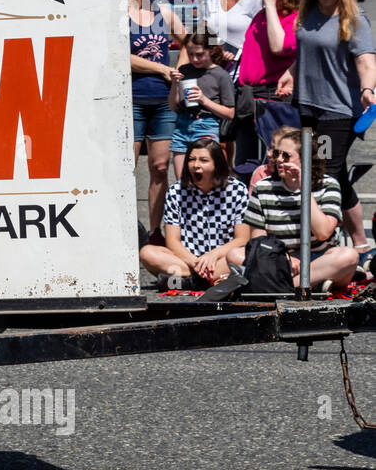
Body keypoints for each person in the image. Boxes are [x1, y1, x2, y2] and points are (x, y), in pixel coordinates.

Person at [277, 0, 376, 263]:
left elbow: (366, 61)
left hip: (338, 111)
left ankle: (326, 244)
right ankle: (360, 244)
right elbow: (308, 51)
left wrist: (367, 89)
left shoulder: (354, 19)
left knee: (325, 173)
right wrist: (291, 72)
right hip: (306, 106)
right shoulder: (308, 14)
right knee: (335, 176)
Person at [229, 126, 359, 291]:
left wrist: (302, 186)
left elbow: (323, 232)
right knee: (234, 255)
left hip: (319, 260)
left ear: (306, 159)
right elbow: (258, 241)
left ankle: (283, 287)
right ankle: (310, 285)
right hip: (277, 260)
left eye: (286, 156)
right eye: (277, 154)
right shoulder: (263, 188)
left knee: (348, 256)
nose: (279, 160)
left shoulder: (328, 185)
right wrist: (286, 258)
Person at [129, 0, 187, 245]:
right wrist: (161, 68)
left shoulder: (163, 10)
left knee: (160, 167)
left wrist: (180, 74)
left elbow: (188, 40)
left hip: (163, 100)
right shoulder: (122, 12)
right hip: (132, 99)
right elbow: (120, 56)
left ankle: (154, 231)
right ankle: (125, 229)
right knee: (126, 166)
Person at [140, 138, 249, 289]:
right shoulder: (175, 192)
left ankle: (189, 280)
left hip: (223, 258)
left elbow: (242, 239)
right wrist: (197, 263)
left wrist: (213, 255)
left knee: (243, 256)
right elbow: (172, 242)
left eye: (203, 160)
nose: (196, 165)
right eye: (191, 160)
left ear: (217, 164)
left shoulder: (237, 190)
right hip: (187, 260)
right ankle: (206, 279)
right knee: (147, 253)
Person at [234, 0, 301, 162]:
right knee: (246, 162)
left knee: (274, 160)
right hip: (248, 96)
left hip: (274, 98)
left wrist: (271, 5)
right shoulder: (261, 16)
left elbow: (278, 46)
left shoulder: (296, 18)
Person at [203, 0, 263, 162]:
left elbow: (266, 39)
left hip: (244, 82)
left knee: (241, 143)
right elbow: (201, 35)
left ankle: (238, 190)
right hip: (212, 80)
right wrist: (216, 51)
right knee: (216, 143)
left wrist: (241, 52)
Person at [168, 28, 234, 181]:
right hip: (182, 126)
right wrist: (174, 84)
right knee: (182, 181)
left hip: (206, 125)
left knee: (203, 179)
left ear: (211, 50)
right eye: (190, 55)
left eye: (199, 54)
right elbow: (173, 106)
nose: (195, 59)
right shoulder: (184, 70)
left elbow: (230, 113)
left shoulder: (220, 75)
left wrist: (204, 100)